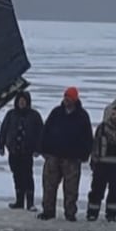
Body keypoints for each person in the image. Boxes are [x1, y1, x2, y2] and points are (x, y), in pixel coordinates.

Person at [36, 87, 94, 221]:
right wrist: (43, 149)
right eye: (65, 97)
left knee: (71, 189)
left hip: (72, 158)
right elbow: (45, 131)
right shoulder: (56, 112)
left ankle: (70, 213)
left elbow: (88, 137)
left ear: (75, 99)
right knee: (49, 185)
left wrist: (85, 154)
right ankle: (48, 211)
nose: (66, 99)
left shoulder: (82, 116)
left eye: (69, 97)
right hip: (53, 156)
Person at [87, 99, 116, 222]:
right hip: (102, 165)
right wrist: (94, 162)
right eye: (114, 114)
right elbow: (95, 146)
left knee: (115, 192)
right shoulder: (101, 128)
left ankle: (111, 214)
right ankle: (92, 213)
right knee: (96, 191)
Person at [0, 90, 43, 211]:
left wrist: (38, 149)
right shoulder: (11, 114)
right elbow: (3, 130)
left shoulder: (34, 116)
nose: (21, 103)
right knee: (17, 176)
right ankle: (19, 201)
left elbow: (41, 133)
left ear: (27, 102)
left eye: (24, 101)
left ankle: (30, 203)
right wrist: (1, 145)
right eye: (20, 101)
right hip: (14, 151)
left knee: (28, 176)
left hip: (27, 152)